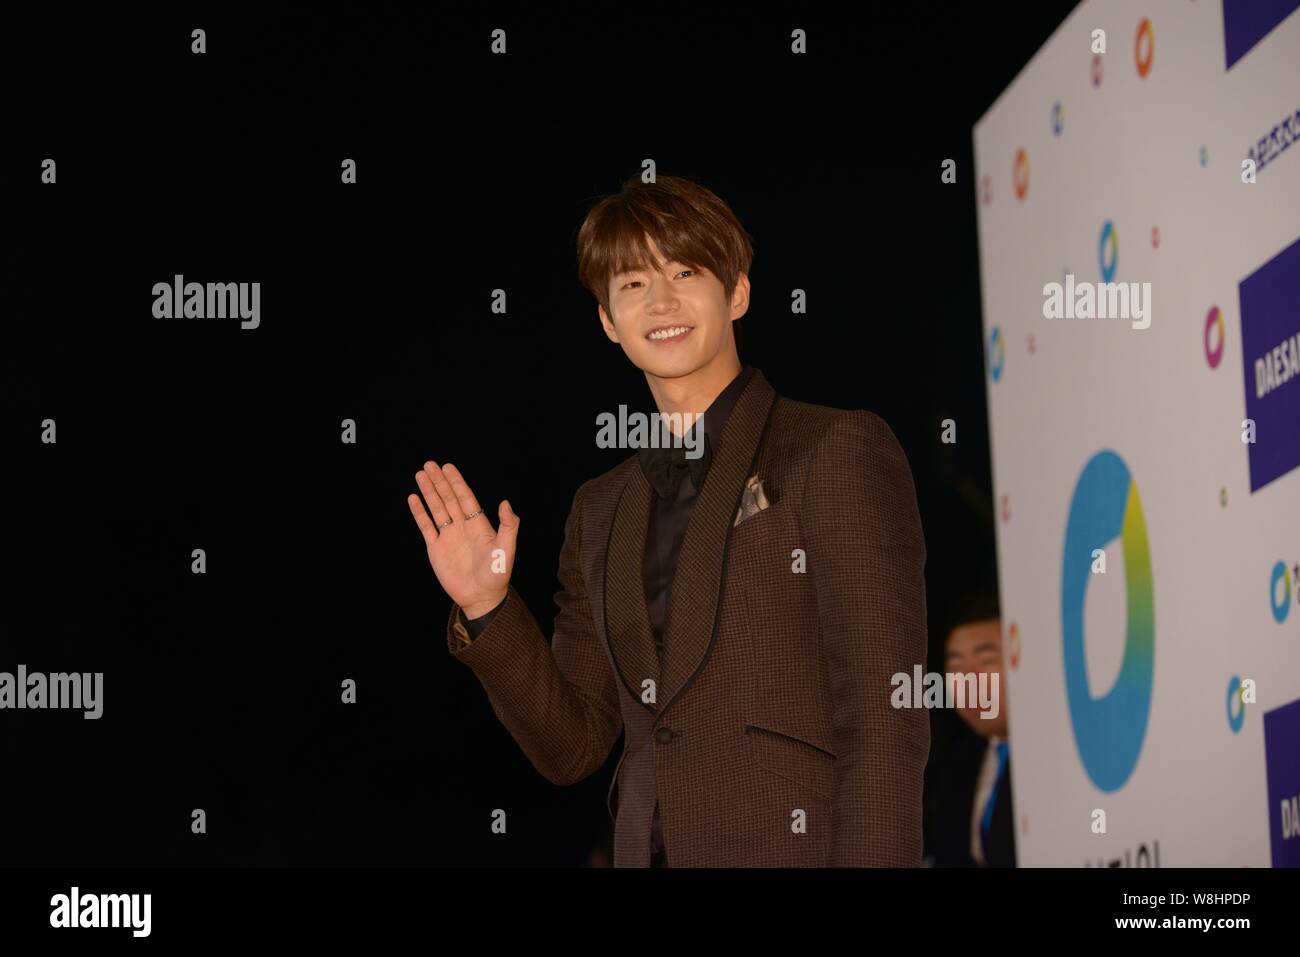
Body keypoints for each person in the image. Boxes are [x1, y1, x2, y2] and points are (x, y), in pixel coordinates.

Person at [406, 173, 929, 866]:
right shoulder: (600, 508)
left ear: (737, 291)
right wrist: (488, 606)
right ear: (606, 320)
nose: (661, 300)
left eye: (685, 270)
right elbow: (575, 745)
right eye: (631, 283)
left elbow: (884, 719)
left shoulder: (834, 448)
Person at [923, 593, 1015, 867]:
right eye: (956, 667)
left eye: (986, 662)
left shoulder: (1057, 757)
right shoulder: (951, 765)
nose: (969, 681)